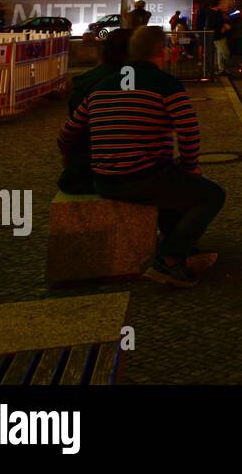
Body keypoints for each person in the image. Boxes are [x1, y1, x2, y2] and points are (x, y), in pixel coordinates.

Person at [57, 26, 225, 287]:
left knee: (174, 183)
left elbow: (67, 133)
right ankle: (170, 258)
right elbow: (189, 131)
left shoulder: (101, 87)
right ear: (161, 51)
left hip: (102, 178)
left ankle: (176, 245)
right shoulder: (166, 85)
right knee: (211, 195)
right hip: (142, 176)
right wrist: (191, 164)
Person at [58, 28, 134, 195]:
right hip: (119, 171)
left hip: (82, 168)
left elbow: (68, 133)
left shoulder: (85, 82)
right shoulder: (132, 82)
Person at [201, 0, 231, 75]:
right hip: (218, 36)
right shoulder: (211, 13)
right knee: (224, 53)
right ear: (217, 5)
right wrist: (223, 28)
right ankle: (219, 69)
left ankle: (221, 69)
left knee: (219, 53)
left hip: (217, 36)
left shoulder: (215, 12)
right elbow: (212, 25)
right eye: (220, 4)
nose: (222, 5)